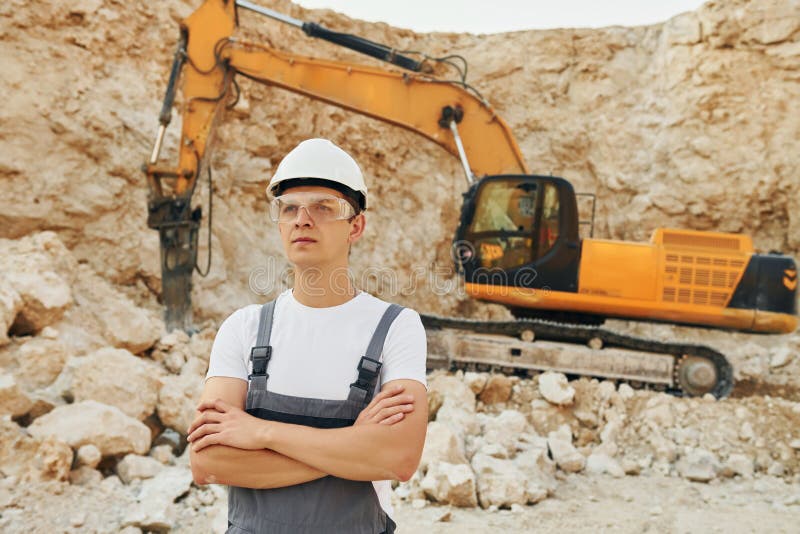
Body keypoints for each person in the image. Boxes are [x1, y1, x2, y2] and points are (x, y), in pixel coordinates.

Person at [187, 138, 428, 534]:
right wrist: (353, 445)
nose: (302, 219)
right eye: (289, 208)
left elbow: (398, 457)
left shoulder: (395, 327)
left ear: (356, 225)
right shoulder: (244, 329)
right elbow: (209, 463)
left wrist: (262, 433)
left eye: (322, 207)